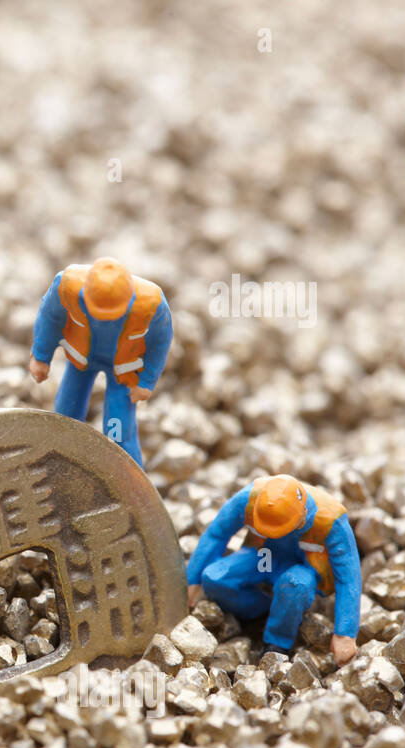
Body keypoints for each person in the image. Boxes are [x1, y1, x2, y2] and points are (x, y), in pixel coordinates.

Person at [186, 474, 361, 665]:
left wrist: (345, 633)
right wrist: (192, 580)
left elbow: (349, 576)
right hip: (265, 556)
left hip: (304, 565)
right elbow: (217, 533)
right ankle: (261, 610)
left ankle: (277, 643)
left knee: (295, 585)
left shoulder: (331, 520)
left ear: (302, 516)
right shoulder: (250, 499)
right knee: (215, 578)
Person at [28, 257, 173, 467]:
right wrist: (41, 356)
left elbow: (161, 341)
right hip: (81, 362)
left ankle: (129, 486)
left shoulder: (151, 304)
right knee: (66, 414)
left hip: (122, 370)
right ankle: (58, 462)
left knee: (117, 430)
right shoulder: (66, 285)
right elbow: (49, 318)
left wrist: (146, 381)